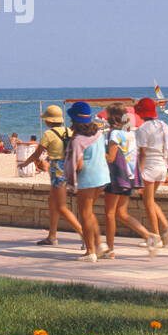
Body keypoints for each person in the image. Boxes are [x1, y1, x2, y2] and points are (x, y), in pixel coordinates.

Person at [19, 105, 83, 246]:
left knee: (61, 206)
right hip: (68, 169)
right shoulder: (69, 131)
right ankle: (52, 236)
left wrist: (25, 164)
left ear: (48, 121)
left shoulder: (48, 134)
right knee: (52, 202)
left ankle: (84, 234)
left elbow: (37, 154)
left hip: (57, 171)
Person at [102, 103, 153, 256]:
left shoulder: (114, 134)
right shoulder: (130, 134)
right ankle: (149, 236)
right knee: (122, 213)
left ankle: (110, 250)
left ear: (111, 117)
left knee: (110, 214)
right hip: (130, 177)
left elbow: (111, 158)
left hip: (117, 177)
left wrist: (97, 153)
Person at [64, 101, 107, 262]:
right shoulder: (98, 134)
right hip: (102, 177)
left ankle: (90, 251)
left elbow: (79, 164)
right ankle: (99, 244)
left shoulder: (77, 140)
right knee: (89, 212)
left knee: (85, 215)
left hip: (88, 178)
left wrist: (69, 170)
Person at [134, 97, 168, 245]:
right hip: (162, 167)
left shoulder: (142, 129)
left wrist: (139, 172)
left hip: (149, 168)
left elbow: (143, 153)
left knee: (148, 202)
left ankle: (156, 236)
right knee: (151, 200)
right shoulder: (163, 125)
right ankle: (166, 227)